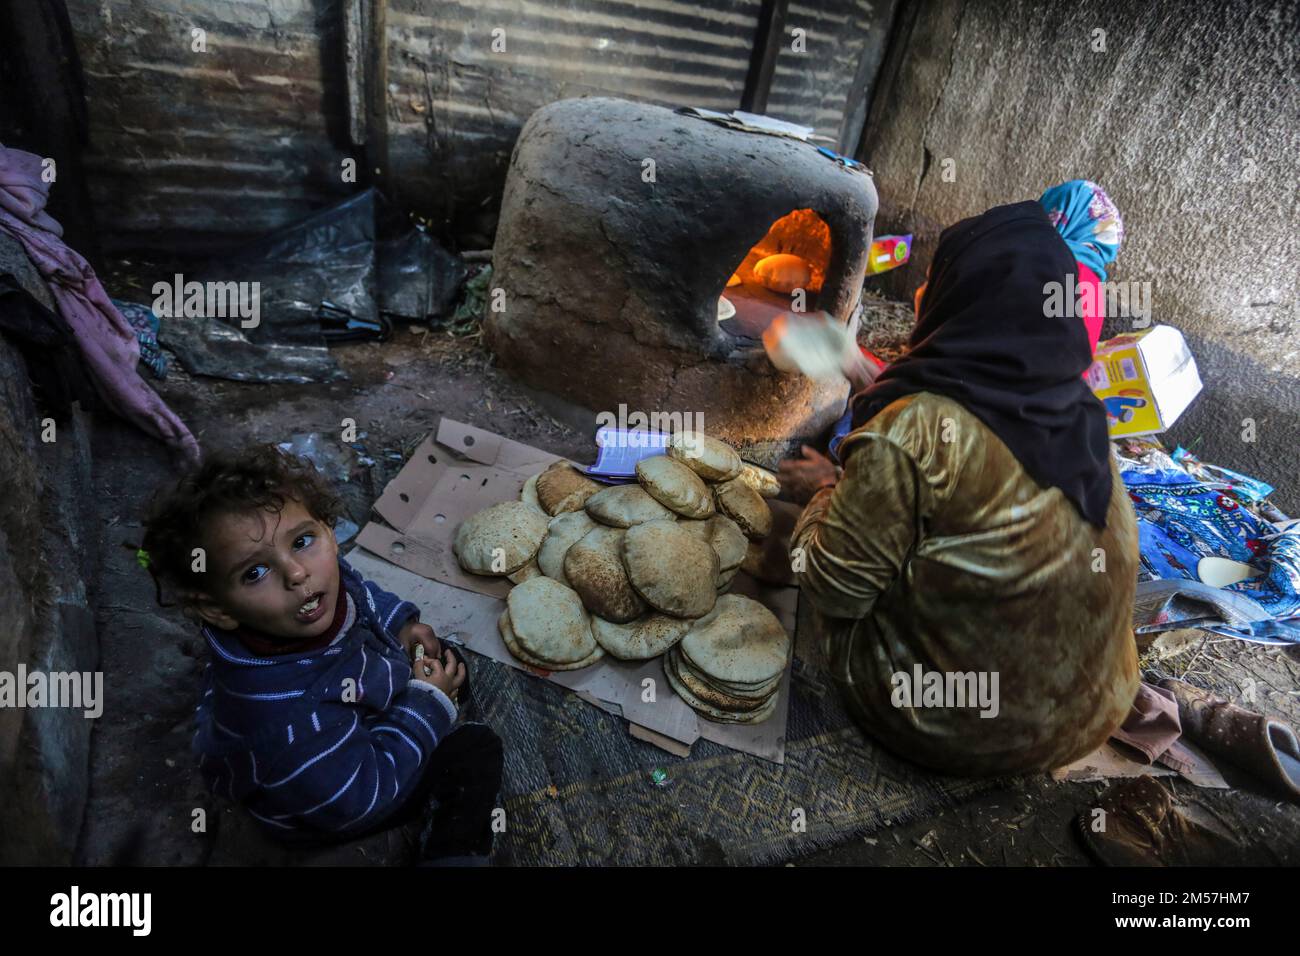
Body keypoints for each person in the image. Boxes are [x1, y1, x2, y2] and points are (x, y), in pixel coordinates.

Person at [780, 188, 1138, 776]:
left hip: (958, 725)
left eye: (938, 278)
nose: (922, 292)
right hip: (1092, 713)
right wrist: (863, 368)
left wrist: (826, 491)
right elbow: (972, 409)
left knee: (796, 554)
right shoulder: (1077, 410)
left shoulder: (913, 429)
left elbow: (833, 587)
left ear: (968, 292)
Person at [140, 444, 502, 861]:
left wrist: (400, 624)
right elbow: (357, 800)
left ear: (329, 529)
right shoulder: (287, 723)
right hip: (339, 796)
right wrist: (425, 707)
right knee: (475, 751)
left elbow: (356, 591)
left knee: (447, 658)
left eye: (304, 540)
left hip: (345, 704)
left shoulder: (310, 592)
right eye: (254, 572)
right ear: (217, 609)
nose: (296, 573)